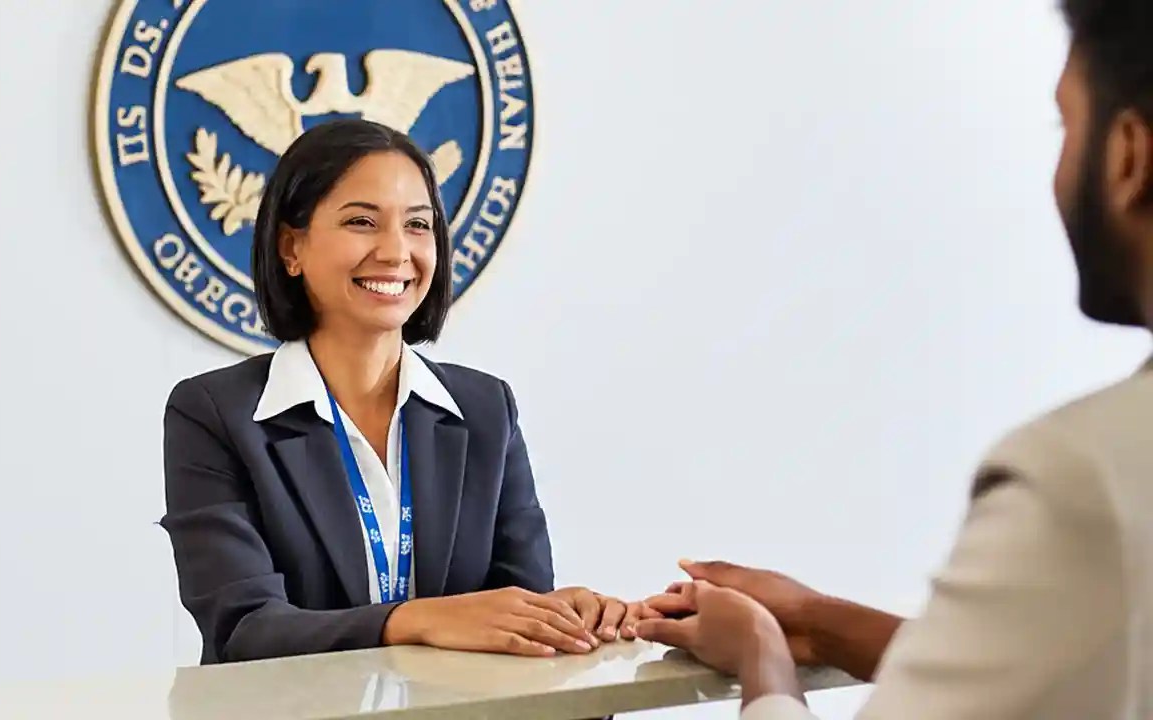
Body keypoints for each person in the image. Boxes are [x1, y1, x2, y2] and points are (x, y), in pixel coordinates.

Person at [635, 1, 1153, 718]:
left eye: (1064, 126)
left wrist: (762, 650)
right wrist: (817, 619)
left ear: (1130, 155)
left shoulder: (1081, 481)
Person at [161, 119, 644, 664]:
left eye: (418, 225)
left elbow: (516, 606)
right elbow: (244, 629)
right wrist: (417, 620)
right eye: (362, 221)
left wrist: (560, 617)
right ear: (291, 248)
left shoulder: (485, 409)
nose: (395, 252)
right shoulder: (215, 413)